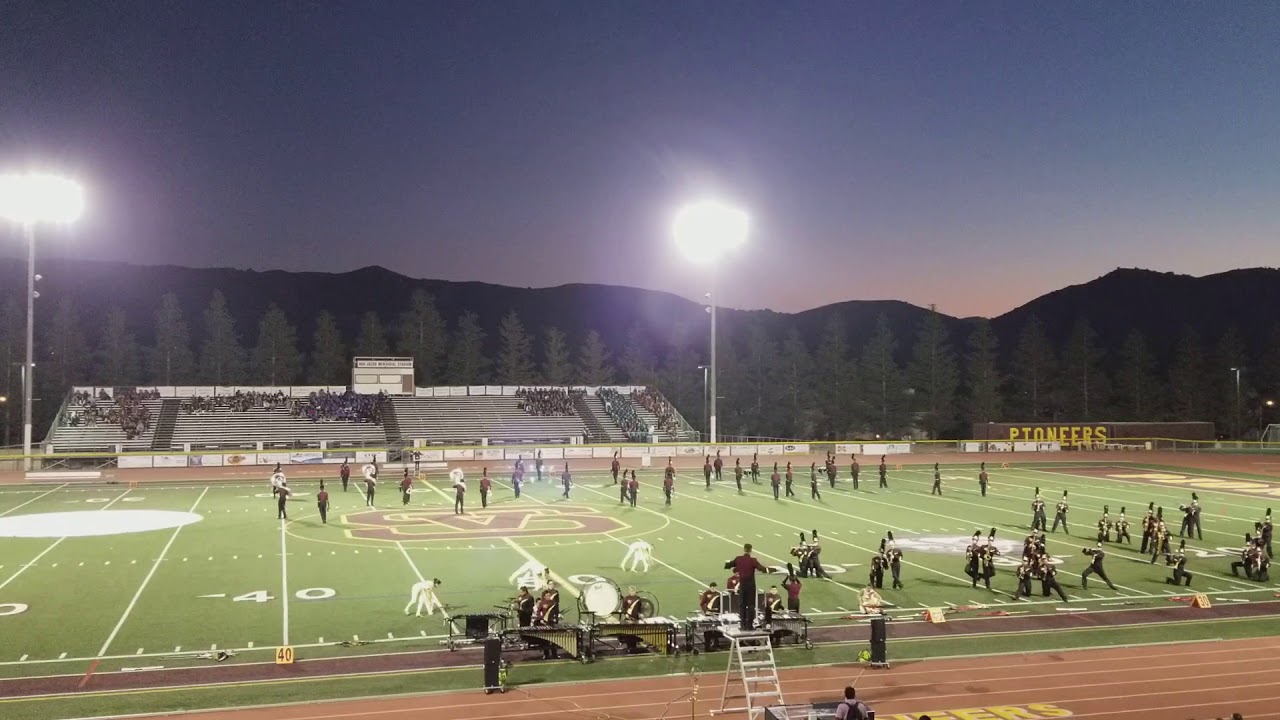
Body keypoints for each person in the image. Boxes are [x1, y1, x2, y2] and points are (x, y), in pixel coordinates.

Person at [730, 544, 770, 630]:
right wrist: (769, 569)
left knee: (742, 605)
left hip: (743, 585)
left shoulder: (738, 559)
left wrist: (732, 566)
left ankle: (742, 625)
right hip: (751, 585)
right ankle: (749, 625)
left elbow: (730, 565)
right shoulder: (753, 560)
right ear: (751, 550)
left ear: (744, 549)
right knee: (751, 606)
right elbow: (761, 568)